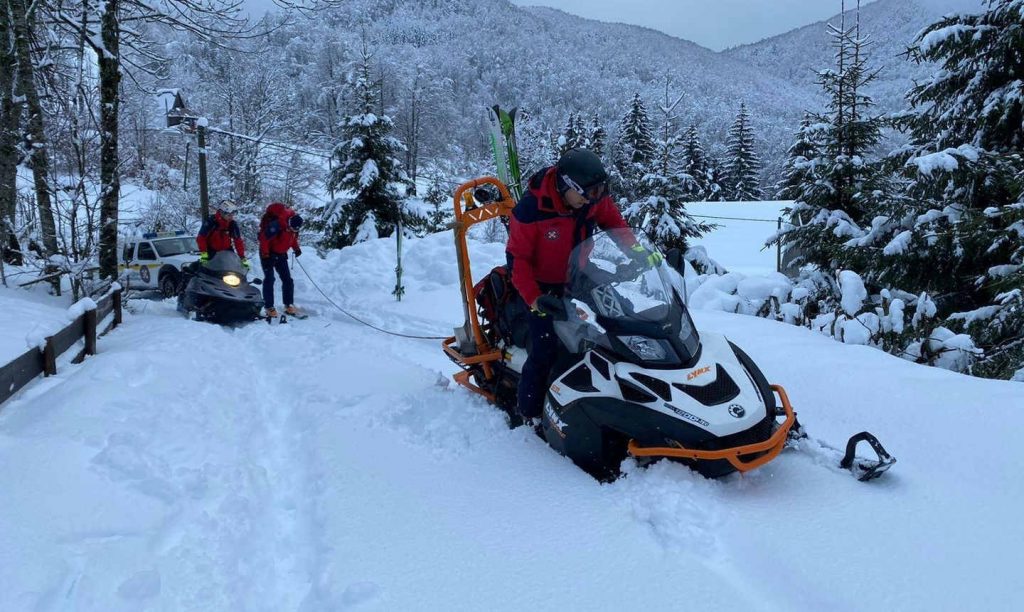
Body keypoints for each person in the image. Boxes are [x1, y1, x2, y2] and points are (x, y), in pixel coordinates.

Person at [505, 148, 660, 423]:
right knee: (545, 348)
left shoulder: (590, 198)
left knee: (622, 315)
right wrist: (535, 299)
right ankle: (529, 413)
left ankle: (640, 385)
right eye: (588, 194)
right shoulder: (530, 210)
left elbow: (614, 223)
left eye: (599, 192)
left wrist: (637, 252)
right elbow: (518, 261)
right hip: (541, 286)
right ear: (566, 185)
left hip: (579, 271)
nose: (593, 199)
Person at [258, 202, 303, 318]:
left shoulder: (293, 228)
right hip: (268, 254)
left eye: (295, 230)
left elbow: (292, 238)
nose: (293, 230)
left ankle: (288, 304)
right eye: (292, 228)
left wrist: (296, 248)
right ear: (289, 223)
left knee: (288, 280)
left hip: (281, 254)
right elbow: (264, 239)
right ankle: (269, 307)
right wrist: (266, 254)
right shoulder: (276, 225)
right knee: (270, 279)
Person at [196, 199, 247, 266]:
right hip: (211, 252)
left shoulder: (232, 224)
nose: (231, 217)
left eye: (232, 215)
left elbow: (238, 241)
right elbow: (201, 238)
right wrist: (204, 255)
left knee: (234, 267)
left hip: (227, 252)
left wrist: (242, 258)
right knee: (207, 268)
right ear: (222, 213)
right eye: (229, 215)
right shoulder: (211, 222)